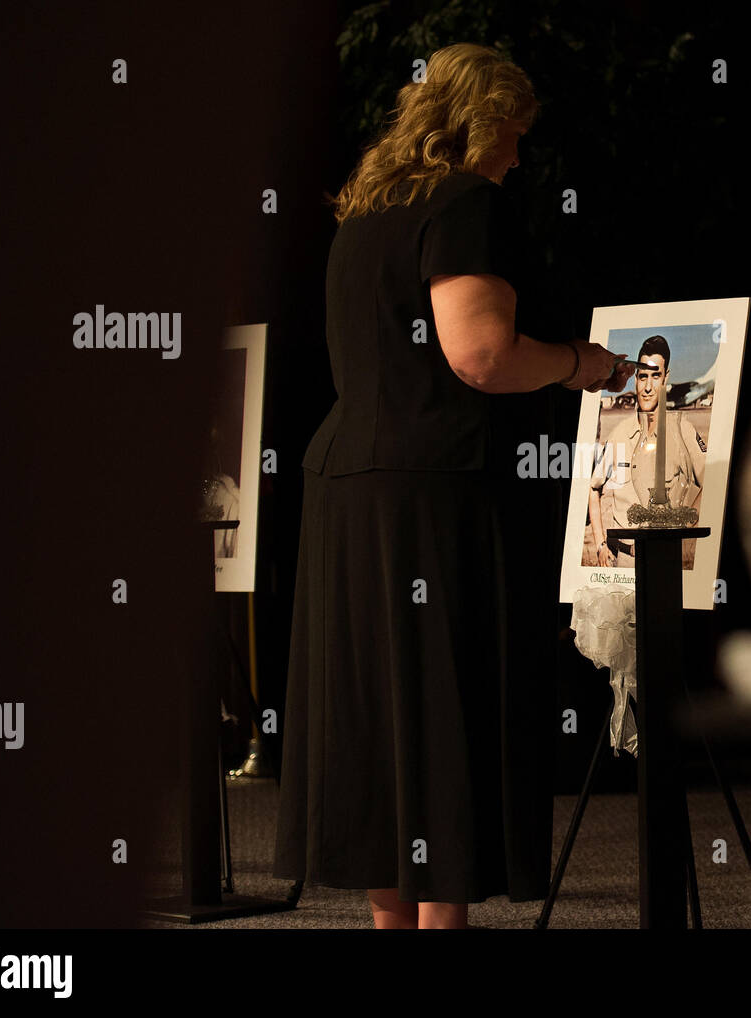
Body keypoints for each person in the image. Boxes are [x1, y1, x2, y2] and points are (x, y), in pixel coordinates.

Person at [271, 43, 631, 930]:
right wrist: (581, 364)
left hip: (350, 492)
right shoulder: (467, 201)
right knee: (443, 720)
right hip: (432, 501)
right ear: (476, 125)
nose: (518, 156)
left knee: (383, 732)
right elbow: (480, 356)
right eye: (511, 134)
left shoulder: (365, 213)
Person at [587, 334, 706, 567]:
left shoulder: (683, 430)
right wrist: (601, 543)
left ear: (666, 378)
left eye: (656, 376)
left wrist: (682, 525)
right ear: (635, 380)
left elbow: (712, 482)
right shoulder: (619, 434)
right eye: (643, 377)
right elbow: (594, 488)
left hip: (663, 558)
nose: (649, 387)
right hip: (622, 560)